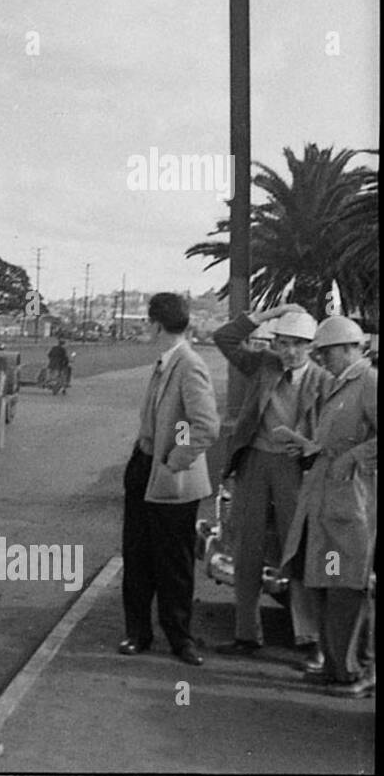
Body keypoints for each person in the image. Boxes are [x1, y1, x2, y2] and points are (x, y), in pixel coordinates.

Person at [211, 304, 330, 660]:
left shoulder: (324, 381)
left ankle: (307, 636)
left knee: (298, 549)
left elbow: (336, 431)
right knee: (246, 548)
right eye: (283, 343)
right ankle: (246, 634)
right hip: (255, 463)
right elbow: (225, 337)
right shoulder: (263, 364)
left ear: (312, 347)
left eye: (298, 344)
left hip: (296, 470)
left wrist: (311, 450)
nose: (289, 352)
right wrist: (271, 312)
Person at [118, 293, 220, 666]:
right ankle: (138, 632)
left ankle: (180, 637)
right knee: (138, 554)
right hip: (144, 468)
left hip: (169, 476)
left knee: (173, 560)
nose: (146, 329)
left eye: (148, 323)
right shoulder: (166, 363)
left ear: (156, 324)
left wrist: (171, 459)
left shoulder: (188, 365)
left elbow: (204, 425)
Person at [279, 316, 377, 698]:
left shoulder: (367, 382)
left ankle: (358, 671)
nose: (325, 358)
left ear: (353, 349)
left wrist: (354, 456)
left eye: (330, 351)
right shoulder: (339, 386)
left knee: (350, 588)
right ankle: (336, 667)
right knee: (328, 584)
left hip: (352, 508)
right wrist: (310, 448)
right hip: (326, 508)